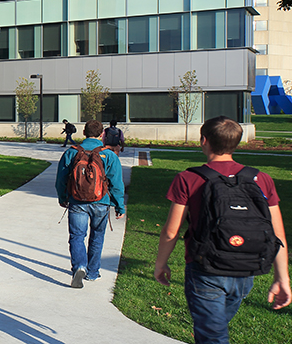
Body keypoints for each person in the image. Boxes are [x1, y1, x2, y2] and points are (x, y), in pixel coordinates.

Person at [154, 116, 290, 344]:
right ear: (237, 142)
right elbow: (277, 234)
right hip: (246, 269)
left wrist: (161, 264)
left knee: (212, 336)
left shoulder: (188, 178)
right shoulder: (261, 179)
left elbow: (171, 231)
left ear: (204, 140)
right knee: (215, 332)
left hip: (205, 269)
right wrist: (282, 277)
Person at [55, 119, 125, 288]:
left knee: (77, 236)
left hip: (77, 201)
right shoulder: (109, 155)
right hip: (101, 202)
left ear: (84, 133)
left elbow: (61, 180)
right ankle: (93, 272)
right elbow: (116, 183)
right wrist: (119, 205)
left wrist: (63, 198)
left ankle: (79, 267)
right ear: (101, 135)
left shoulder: (71, 153)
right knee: (97, 236)